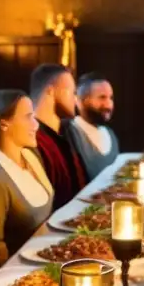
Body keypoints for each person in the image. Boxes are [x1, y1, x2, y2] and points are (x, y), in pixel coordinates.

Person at [0, 89, 54, 269]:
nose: (36, 125)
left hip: (50, 257)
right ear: (4, 124)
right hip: (24, 273)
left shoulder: (31, 157)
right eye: (28, 117)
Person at [30, 63, 88, 209]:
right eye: (72, 92)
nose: (76, 100)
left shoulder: (66, 133)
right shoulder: (33, 140)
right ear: (51, 91)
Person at [68, 73, 120, 181]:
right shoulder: (70, 133)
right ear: (82, 101)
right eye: (102, 97)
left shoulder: (111, 134)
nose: (108, 105)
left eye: (111, 98)